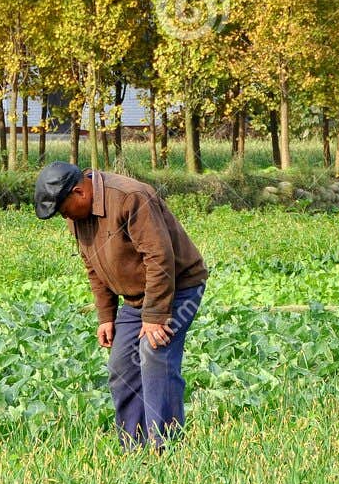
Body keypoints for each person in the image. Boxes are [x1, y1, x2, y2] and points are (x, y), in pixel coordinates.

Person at [34, 161, 208, 450]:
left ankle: (164, 446)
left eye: (64, 210)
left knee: (154, 353)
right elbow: (93, 263)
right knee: (121, 366)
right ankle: (133, 446)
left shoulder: (131, 197)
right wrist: (106, 316)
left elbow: (159, 257)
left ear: (79, 192)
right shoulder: (77, 215)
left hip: (178, 288)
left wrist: (155, 316)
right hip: (135, 297)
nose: (64, 218)